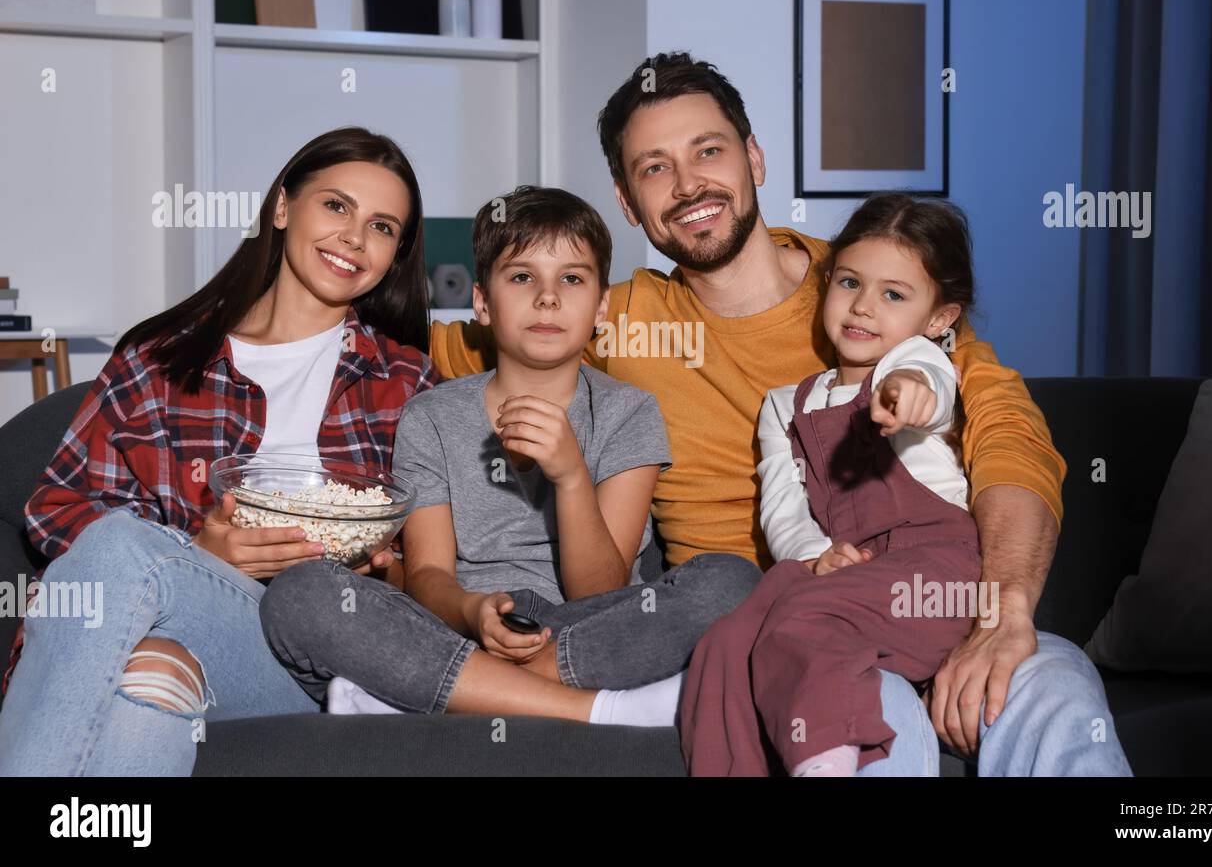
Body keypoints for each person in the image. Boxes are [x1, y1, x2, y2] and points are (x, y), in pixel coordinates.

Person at [428, 52, 1132, 776]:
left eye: (708, 150)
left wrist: (1003, 616)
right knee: (869, 725)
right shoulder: (612, 319)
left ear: (754, 157)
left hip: (934, 602)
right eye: (655, 168)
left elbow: (1012, 443)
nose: (688, 184)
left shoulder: (874, 284)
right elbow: (427, 342)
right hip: (783, 636)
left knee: (1058, 690)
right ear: (627, 202)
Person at [0, 127, 437, 776]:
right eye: (336, 206)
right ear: (282, 207)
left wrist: (381, 568)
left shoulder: (406, 381)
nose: (353, 237)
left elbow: (438, 564)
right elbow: (56, 507)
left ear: (395, 253)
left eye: (381, 227)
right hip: (169, 622)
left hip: (318, 656)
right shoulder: (160, 361)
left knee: (124, 554)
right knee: (149, 676)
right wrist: (195, 551)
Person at [259, 186, 759, 725]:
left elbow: (600, 587)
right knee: (302, 593)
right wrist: (471, 611)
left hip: (588, 627)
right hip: (462, 628)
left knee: (732, 581)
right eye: (522, 277)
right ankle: (594, 707)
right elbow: (428, 576)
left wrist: (571, 477)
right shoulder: (431, 415)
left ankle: (458, 689)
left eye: (572, 279)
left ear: (601, 307)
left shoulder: (629, 412)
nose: (547, 298)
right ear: (482, 303)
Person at [680, 192, 985, 776]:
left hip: (938, 578)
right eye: (849, 283)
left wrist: (909, 395)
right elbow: (784, 506)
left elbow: (927, 380)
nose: (863, 307)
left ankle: (824, 765)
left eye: (894, 295)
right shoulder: (783, 405)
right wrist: (816, 555)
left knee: (806, 617)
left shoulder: (916, 366)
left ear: (938, 319)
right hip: (846, 576)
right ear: (827, 285)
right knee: (727, 642)